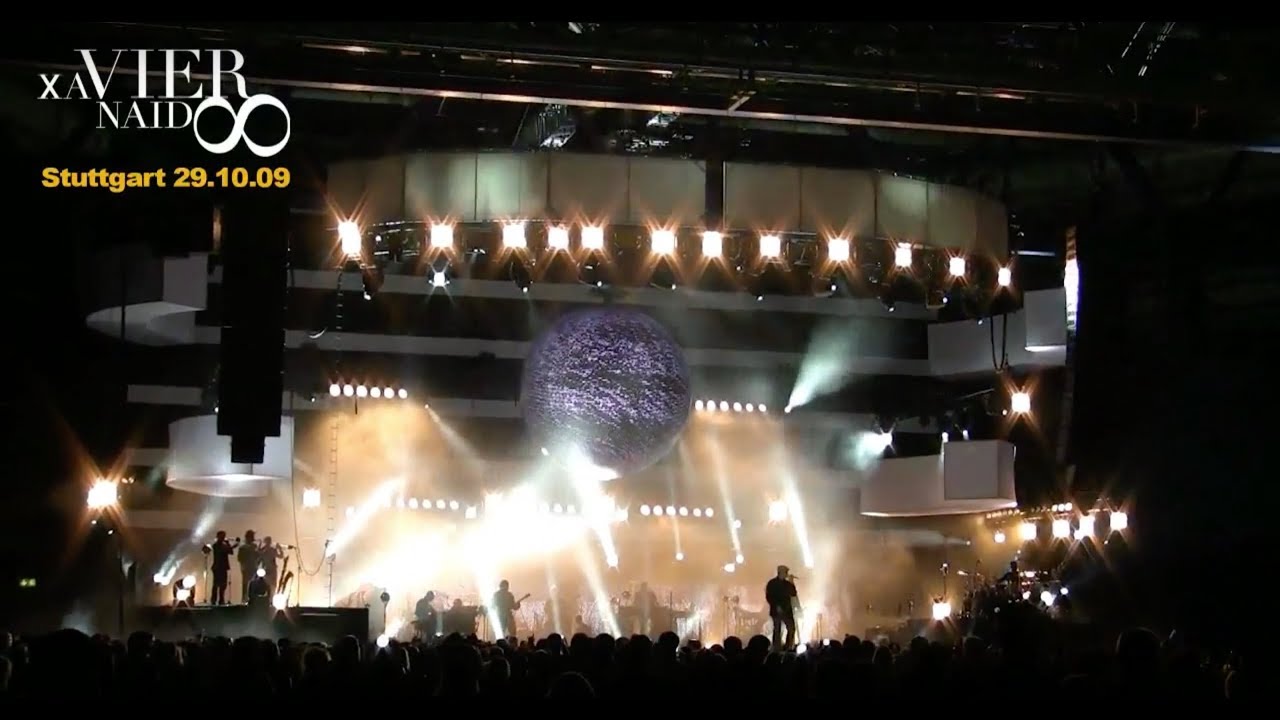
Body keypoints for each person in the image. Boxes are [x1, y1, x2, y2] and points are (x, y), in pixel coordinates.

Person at [765, 565, 798, 650]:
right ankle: (777, 648)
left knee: (791, 628)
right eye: (786, 572)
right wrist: (776, 606)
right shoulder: (772, 583)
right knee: (777, 629)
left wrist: (791, 582)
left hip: (787, 610)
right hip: (776, 610)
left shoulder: (787, 584)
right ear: (781, 573)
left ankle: (788, 647)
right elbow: (769, 597)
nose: (787, 574)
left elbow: (793, 593)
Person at [208, 531, 236, 605]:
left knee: (223, 585)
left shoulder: (223, 545)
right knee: (216, 585)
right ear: (218, 536)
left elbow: (231, 552)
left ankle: (221, 599)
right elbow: (225, 550)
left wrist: (228, 544)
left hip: (222, 567)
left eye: (224, 536)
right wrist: (232, 545)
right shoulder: (216, 545)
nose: (223, 538)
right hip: (218, 567)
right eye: (222, 536)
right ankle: (213, 600)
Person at [237, 530, 259, 603]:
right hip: (246, 568)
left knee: (254, 584)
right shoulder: (243, 547)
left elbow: (257, 557)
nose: (253, 538)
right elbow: (239, 558)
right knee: (245, 584)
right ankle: (244, 600)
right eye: (252, 536)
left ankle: (253, 599)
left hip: (254, 567)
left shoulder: (254, 546)